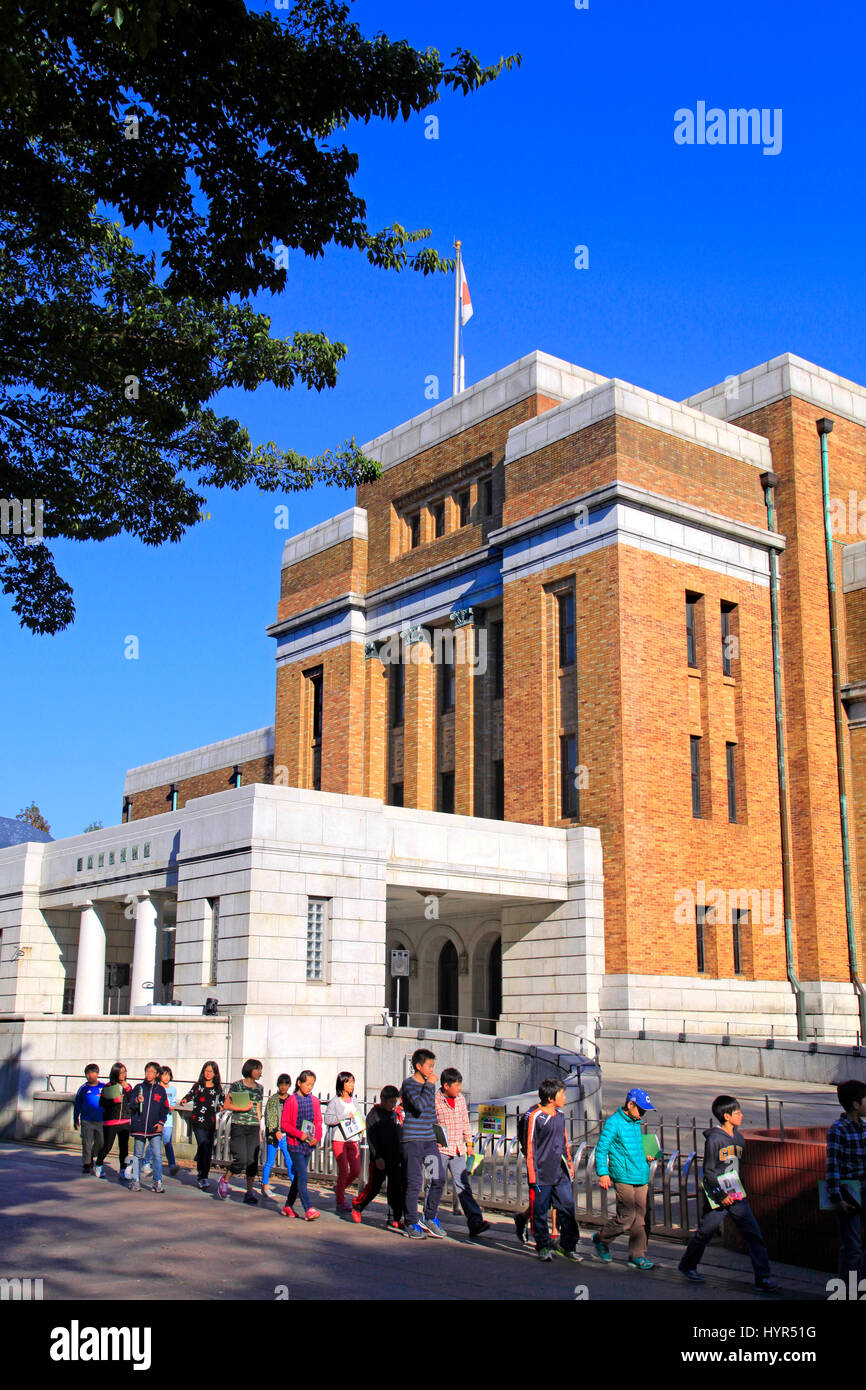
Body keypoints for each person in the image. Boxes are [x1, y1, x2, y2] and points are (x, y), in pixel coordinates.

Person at [678, 1095, 780, 1293]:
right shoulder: (714, 1140)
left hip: (737, 1194)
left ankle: (763, 1277)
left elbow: (739, 1168)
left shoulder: (739, 1138)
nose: (741, 1116)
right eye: (737, 1113)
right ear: (726, 1116)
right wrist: (719, 1194)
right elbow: (708, 1171)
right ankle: (688, 1265)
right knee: (705, 1232)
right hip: (718, 1195)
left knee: (753, 1234)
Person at [591, 1087, 655, 1271]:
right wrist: (603, 1173)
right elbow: (602, 1149)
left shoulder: (636, 1123)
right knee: (627, 1217)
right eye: (641, 1110)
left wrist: (647, 1155)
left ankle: (637, 1255)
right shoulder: (614, 1123)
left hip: (640, 1175)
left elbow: (634, 1148)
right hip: (623, 1176)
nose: (642, 1114)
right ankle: (601, 1239)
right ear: (630, 1104)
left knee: (641, 1219)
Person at [521, 1078, 583, 1263]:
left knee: (567, 1208)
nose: (564, 1097)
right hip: (541, 1173)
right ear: (550, 1097)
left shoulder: (560, 1115)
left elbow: (564, 1141)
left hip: (560, 1172)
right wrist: (532, 1174)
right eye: (561, 1094)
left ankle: (568, 1246)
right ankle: (543, 1245)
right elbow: (530, 1145)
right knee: (540, 1211)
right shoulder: (535, 1116)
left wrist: (570, 1164)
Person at [435, 1068, 490, 1238]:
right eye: (456, 1085)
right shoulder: (435, 1101)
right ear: (446, 1085)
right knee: (435, 1183)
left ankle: (475, 1221)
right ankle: (428, 1217)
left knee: (463, 1186)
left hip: (458, 1149)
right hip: (440, 1150)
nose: (459, 1088)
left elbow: (465, 1122)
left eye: (460, 1085)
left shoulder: (460, 1100)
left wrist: (469, 1144)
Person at [400, 1048, 446, 1240]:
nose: (431, 1069)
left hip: (429, 1140)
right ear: (419, 1066)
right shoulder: (409, 1084)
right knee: (414, 1182)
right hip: (412, 1140)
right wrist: (429, 1085)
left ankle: (429, 1216)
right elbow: (418, 1106)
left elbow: (430, 1111)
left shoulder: (429, 1085)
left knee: (438, 1178)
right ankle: (411, 1221)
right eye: (429, 1066)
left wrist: (439, 1137)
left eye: (433, 1066)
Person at [825, 1079, 866, 1277]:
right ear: (856, 1104)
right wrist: (836, 1197)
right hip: (849, 1194)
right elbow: (833, 1165)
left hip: (864, 1190)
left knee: (855, 1247)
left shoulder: (865, 1127)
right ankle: (849, 1292)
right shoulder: (838, 1129)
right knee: (852, 1246)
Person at [352, 1085, 404, 1232]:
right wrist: (377, 1157)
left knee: (395, 1189)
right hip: (379, 1159)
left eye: (395, 1102)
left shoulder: (394, 1115)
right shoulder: (373, 1115)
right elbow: (372, 1139)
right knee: (374, 1187)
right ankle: (358, 1206)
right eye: (390, 1102)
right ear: (383, 1099)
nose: (393, 1105)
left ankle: (394, 1217)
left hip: (394, 1158)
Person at [281, 1070, 323, 1221]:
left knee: (299, 1175)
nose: (309, 1087)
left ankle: (288, 1205)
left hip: (308, 1144)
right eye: (307, 1084)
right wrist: (300, 1134)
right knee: (303, 1175)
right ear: (299, 1083)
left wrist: (316, 1137)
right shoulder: (291, 1100)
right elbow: (284, 1124)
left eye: (312, 1085)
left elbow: (318, 1121)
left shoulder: (314, 1101)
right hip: (295, 1144)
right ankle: (308, 1208)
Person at [222, 1058, 264, 1205]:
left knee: (252, 1161)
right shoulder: (237, 1086)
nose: (260, 1072)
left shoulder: (260, 1088)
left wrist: (259, 1130)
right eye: (257, 1069)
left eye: (260, 1070)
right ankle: (226, 1178)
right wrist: (242, 1109)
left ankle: (249, 1191)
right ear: (250, 1069)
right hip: (238, 1125)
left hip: (253, 1127)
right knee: (241, 1159)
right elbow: (226, 1104)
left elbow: (258, 1110)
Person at [180, 1061, 225, 1190]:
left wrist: (222, 1106)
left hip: (210, 1122)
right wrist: (184, 1099)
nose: (208, 1073)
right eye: (206, 1071)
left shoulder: (217, 1088)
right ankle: (201, 1173)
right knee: (203, 1143)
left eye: (211, 1071)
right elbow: (190, 1094)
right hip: (198, 1121)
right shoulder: (198, 1086)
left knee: (207, 1148)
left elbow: (222, 1100)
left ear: (215, 1073)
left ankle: (203, 1175)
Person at [324, 1071, 364, 1213]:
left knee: (356, 1170)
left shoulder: (354, 1100)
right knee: (343, 1170)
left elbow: (361, 1116)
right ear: (342, 1083)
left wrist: (359, 1120)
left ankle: (339, 1188)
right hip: (339, 1140)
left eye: (353, 1082)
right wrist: (343, 1118)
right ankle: (340, 1201)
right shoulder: (335, 1102)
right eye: (349, 1082)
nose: (352, 1085)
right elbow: (327, 1119)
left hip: (353, 1139)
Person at [128, 1061, 171, 1192]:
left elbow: (165, 1108)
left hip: (154, 1128)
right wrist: (137, 1101)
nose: (149, 1074)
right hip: (140, 1127)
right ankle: (135, 1180)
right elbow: (131, 1105)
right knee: (137, 1155)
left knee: (157, 1155)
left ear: (157, 1074)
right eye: (147, 1071)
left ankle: (157, 1181)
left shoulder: (161, 1090)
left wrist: (161, 1123)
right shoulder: (138, 1088)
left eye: (152, 1072)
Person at [95, 1061, 133, 1180]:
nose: (123, 1074)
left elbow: (132, 1101)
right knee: (107, 1146)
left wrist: (128, 1089)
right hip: (111, 1120)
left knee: (124, 1148)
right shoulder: (109, 1086)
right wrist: (114, 1101)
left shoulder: (128, 1086)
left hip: (125, 1121)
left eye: (124, 1072)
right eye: (120, 1072)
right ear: (115, 1073)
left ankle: (123, 1170)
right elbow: (102, 1103)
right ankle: (99, 1164)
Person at [261, 1073, 294, 1201]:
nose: (283, 1087)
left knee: (290, 1161)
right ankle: (265, 1185)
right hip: (274, 1135)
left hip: (287, 1135)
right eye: (281, 1084)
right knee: (270, 1161)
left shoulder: (291, 1099)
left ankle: (294, 1186)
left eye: (286, 1084)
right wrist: (275, 1130)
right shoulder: (273, 1100)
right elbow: (270, 1117)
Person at [73, 1064, 104, 1174]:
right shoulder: (83, 1088)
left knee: (101, 1142)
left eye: (93, 1073)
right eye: (88, 1073)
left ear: (97, 1074)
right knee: (86, 1142)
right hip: (86, 1120)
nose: (90, 1075)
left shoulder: (103, 1087)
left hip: (101, 1120)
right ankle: (86, 1163)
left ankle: (91, 1155)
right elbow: (77, 1104)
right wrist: (75, 1118)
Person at [158, 1067, 180, 1176]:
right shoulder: (157, 1088)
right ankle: (147, 1162)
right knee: (154, 1142)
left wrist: (172, 1107)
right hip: (157, 1120)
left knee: (167, 1142)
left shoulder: (172, 1090)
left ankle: (172, 1164)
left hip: (168, 1120)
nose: (166, 1077)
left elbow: (173, 1102)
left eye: (168, 1075)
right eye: (164, 1074)